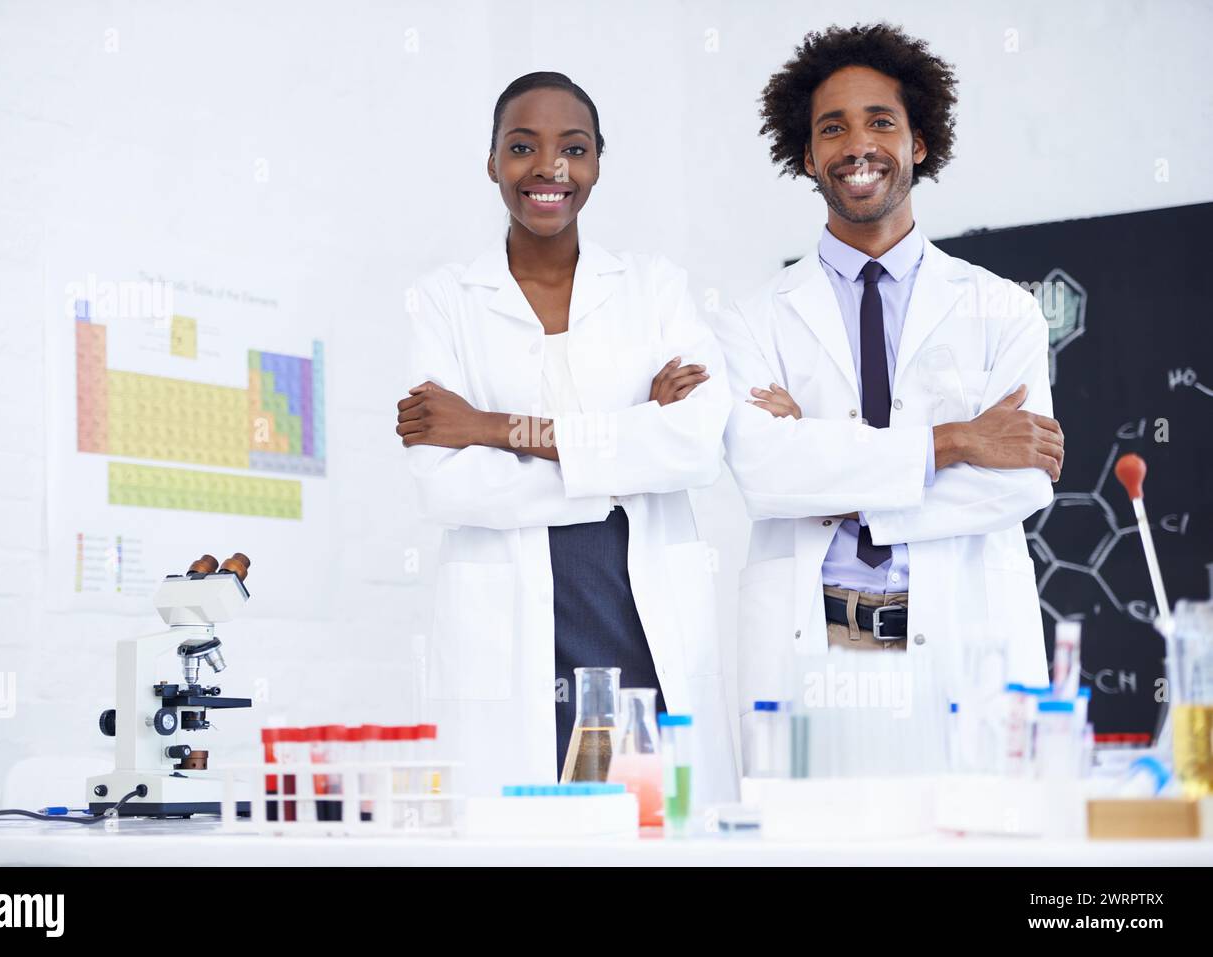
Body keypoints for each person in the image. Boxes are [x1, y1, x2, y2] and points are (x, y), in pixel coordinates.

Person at [397, 72, 736, 801]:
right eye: (523, 147)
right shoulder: (445, 300)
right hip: (511, 633)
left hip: (636, 610)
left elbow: (696, 445)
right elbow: (447, 484)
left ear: (597, 164)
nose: (549, 169)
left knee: (653, 823)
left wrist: (490, 428)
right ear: (492, 162)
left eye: (572, 148)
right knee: (527, 831)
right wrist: (626, 448)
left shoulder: (653, 288)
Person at [715, 24, 1066, 710]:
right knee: (809, 819)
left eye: (880, 122)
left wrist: (824, 465)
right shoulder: (749, 318)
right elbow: (764, 475)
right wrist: (955, 442)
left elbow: (1018, 483)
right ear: (808, 156)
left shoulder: (1002, 309)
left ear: (919, 141)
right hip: (816, 640)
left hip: (964, 642)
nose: (857, 146)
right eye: (832, 129)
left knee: (965, 818)